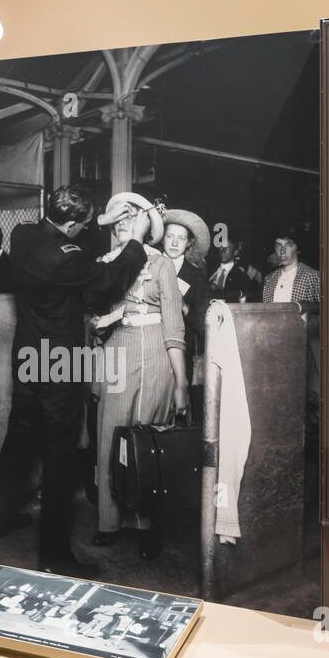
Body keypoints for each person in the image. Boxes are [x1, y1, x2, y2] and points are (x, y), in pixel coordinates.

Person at [0, 186, 149, 576]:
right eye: (81, 226)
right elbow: (109, 280)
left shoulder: (23, 234)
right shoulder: (68, 261)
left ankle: (1, 519)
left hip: (27, 356)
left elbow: (60, 235)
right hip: (59, 363)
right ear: (72, 224)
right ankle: (55, 557)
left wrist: (102, 221)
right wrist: (136, 242)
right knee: (59, 455)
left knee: (19, 437)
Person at [91, 192, 188, 561]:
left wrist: (181, 384)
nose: (121, 226)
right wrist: (98, 323)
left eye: (129, 220)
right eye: (116, 221)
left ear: (145, 227)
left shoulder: (162, 265)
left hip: (156, 354)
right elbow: (95, 313)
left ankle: (147, 525)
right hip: (117, 350)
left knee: (147, 439)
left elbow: (174, 326)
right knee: (110, 435)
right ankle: (108, 522)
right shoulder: (104, 263)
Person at [160, 208, 211, 389]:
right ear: (161, 238)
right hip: (151, 351)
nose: (174, 243)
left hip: (183, 353)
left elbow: (204, 326)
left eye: (181, 238)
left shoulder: (196, 276)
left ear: (189, 243)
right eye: (169, 236)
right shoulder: (149, 266)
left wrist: (184, 307)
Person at [262, 231, 321, 302]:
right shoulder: (269, 279)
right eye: (278, 245)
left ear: (298, 248)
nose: (282, 251)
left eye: (288, 245)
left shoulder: (312, 276)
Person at [209, 234, 260, 302]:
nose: (223, 251)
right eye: (221, 247)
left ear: (235, 252)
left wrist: (213, 290)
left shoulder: (242, 277)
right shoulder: (209, 272)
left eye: (227, 248)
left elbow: (237, 295)